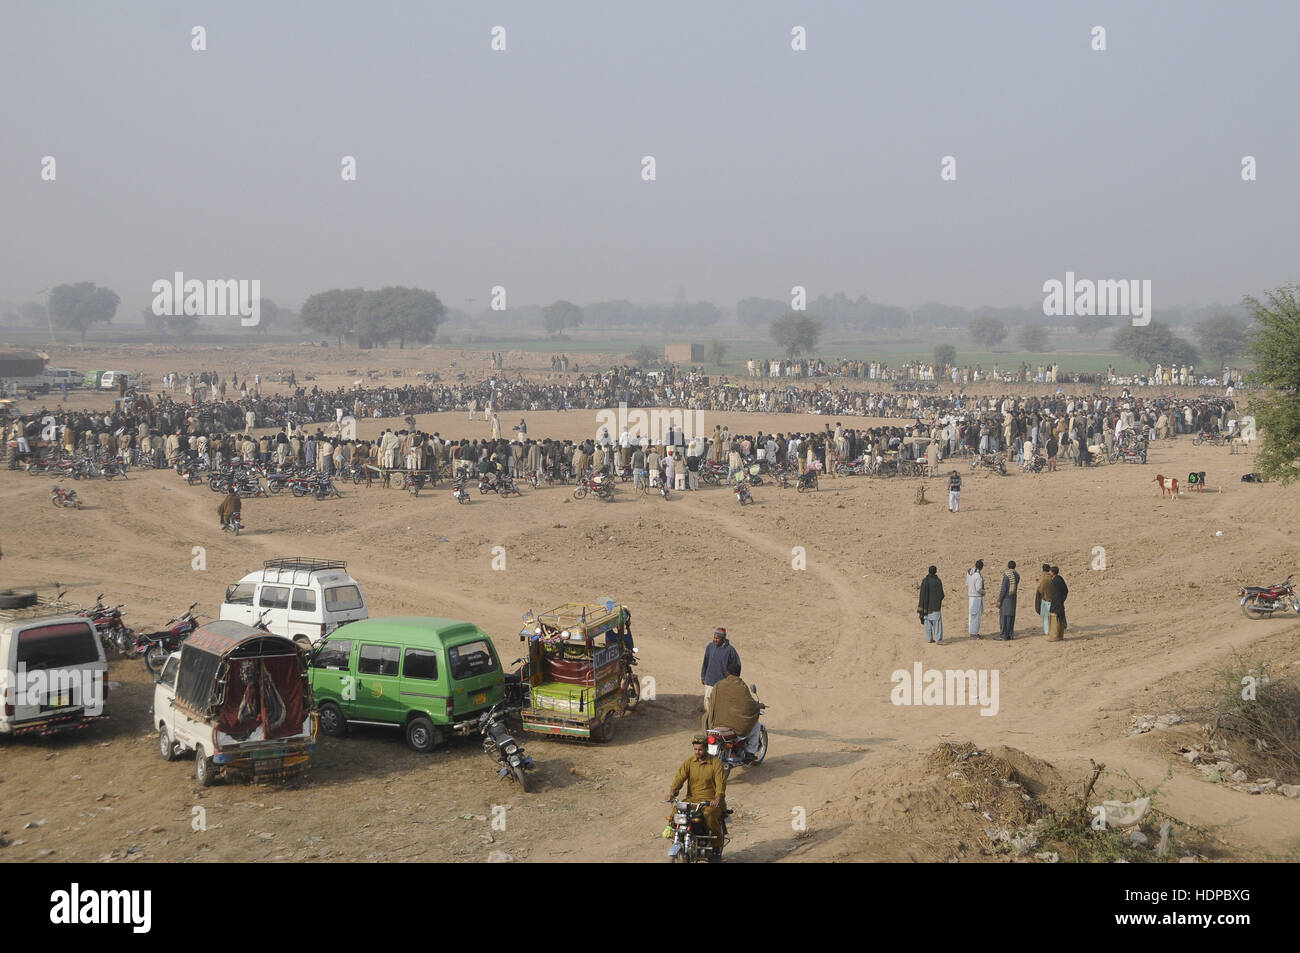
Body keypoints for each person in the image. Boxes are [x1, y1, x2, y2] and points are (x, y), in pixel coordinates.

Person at [664, 735, 727, 856]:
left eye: (700, 749)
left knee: (708, 815)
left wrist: (718, 798)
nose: (697, 752)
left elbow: (721, 783)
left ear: (706, 748)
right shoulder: (689, 762)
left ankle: (717, 845)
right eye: (695, 749)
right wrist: (672, 793)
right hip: (692, 800)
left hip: (710, 802)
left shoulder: (715, 763)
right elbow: (679, 778)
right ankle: (675, 837)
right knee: (676, 811)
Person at [702, 661, 766, 758]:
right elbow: (748, 705)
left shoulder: (718, 685)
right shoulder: (741, 686)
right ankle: (750, 753)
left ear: (727, 672)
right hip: (735, 728)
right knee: (756, 725)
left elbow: (712, 702)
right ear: (739, 673)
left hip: (716, 724)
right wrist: (758, 706)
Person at [700, 627, 740, 710]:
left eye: (717, 638)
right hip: (709, 681)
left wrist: (733, 681)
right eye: (714, 638)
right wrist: (703, 676)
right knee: (708, 703)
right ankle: (708, 721)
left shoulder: (730, 651)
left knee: (719, 706)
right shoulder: (710, 647)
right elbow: (705, 662)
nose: (715, 640)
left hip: (722, 684)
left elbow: (737, 667)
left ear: (723, 638)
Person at [918, 565, 945, 644]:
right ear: (935, 571)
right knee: (937, 624)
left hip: (925, 607)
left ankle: (929, 638)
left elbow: (922, 594)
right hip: (935, 606)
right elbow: (941, 595)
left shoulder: (924, 581)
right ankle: (938, 640)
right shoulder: (938, 581)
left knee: (927, 623)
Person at [996, 560, 1020, 640]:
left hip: (1006, 599)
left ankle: (1003, 636)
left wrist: (999, 600)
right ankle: (1010, 635)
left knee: (1004, 617)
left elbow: (1003, 589)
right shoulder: (1017, 575)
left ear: (1008, 566)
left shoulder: (1007, 575)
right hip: (1013, 598)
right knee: (1011, 617)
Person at [1047, 566, 1068, 641]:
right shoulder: (1060, 578)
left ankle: (1054, 636)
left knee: (1055, 618)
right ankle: (1060, 635)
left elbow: (1056, 593)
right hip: (1059, 602)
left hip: (1056, 603)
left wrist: (1059, 599)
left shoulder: (1055, 580)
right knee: (1060, 617)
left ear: (1053, 572)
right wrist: (1063, 599)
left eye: (1050, 571)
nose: (1049, 573)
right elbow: (1066, 590)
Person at [966, 559, 985, 639]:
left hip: (970, 597)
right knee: (976, 616)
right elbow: (978, 588)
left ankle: (971, 632)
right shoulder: (978, 576)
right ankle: (974, 633)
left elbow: (966, 584)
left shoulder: (969, 573)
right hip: (976, 597)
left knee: (971, 615)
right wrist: (984, 592)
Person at [1035, 563, 1053, 635]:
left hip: (1046, 600)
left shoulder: (1045, 578)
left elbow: (1041, 589)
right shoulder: (1052, 577)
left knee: (1045, 617)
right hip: (1052, 600)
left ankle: (1047, 631)